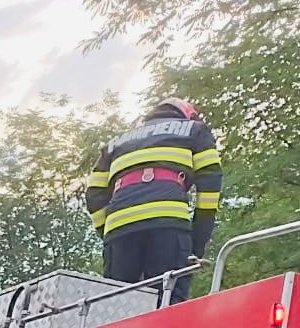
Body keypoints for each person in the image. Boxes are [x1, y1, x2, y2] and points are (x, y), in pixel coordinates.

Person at [84, 98, 221, 304]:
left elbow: (94, 194)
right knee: (168, 303)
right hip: (168, 223)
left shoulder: (115, 144)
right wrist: (197, 243)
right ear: (187, 114)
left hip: (120, 229)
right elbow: (210, 185)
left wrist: (108, 233)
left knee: (120, 308)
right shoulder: (195, 130)